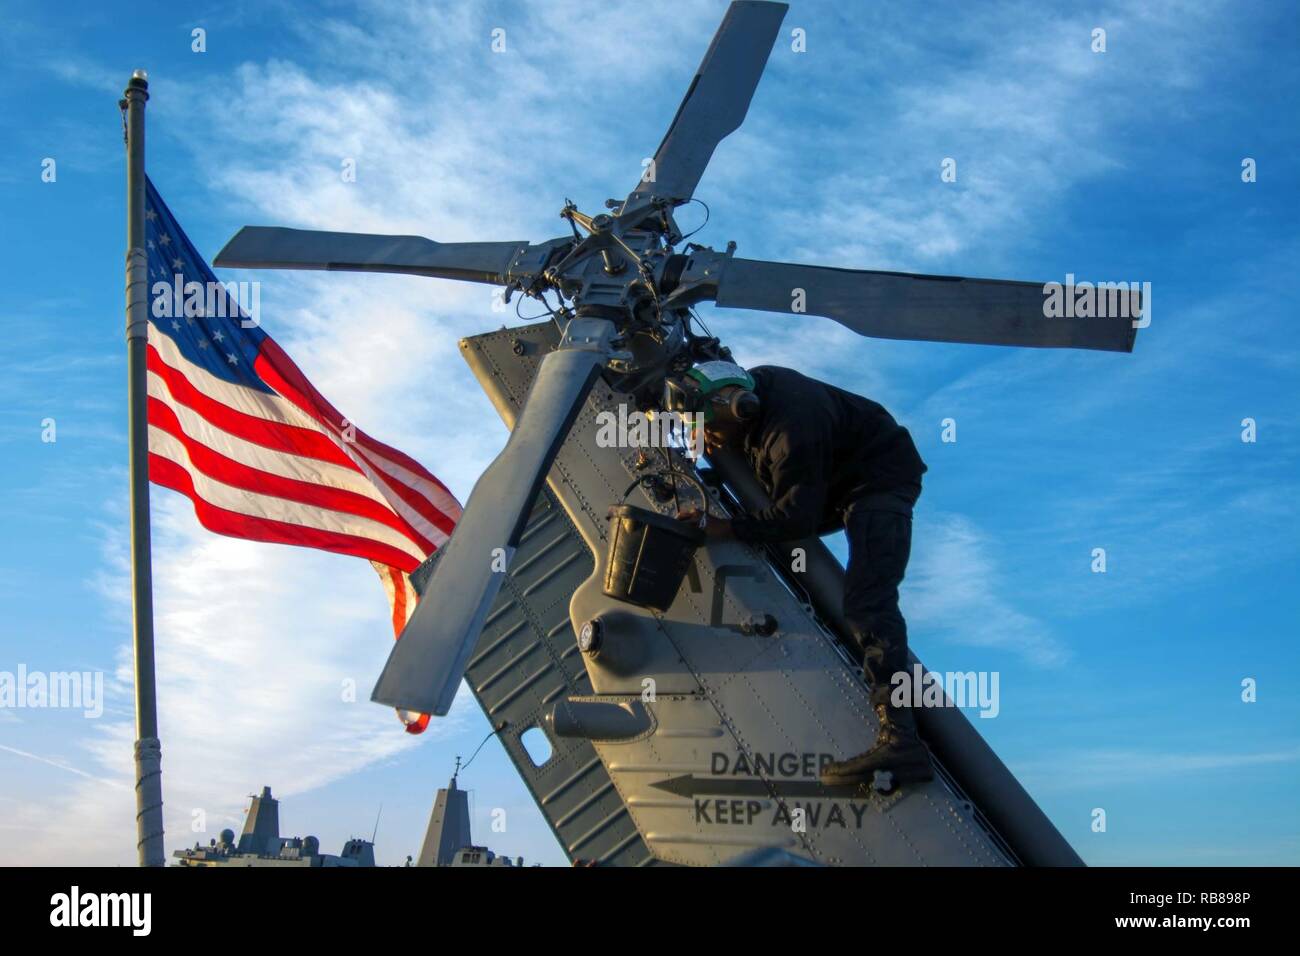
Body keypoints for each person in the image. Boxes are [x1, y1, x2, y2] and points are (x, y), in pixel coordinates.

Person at [669, 360, 933, 786]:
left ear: (741, 408)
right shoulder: (756, 397)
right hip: (832, 477)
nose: (708, 438)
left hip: (876, 480)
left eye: (708, 427)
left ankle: (901, 739)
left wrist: (725, 528)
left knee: (868, 601)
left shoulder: (791, 432)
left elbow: (795, 517)